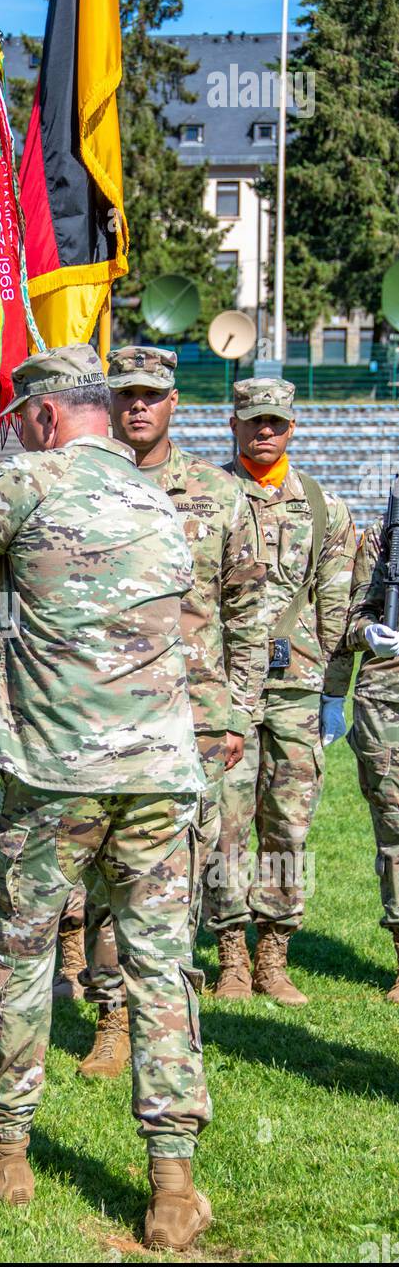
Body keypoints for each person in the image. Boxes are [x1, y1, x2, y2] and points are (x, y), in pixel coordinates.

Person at [0, 345, 213, 1252]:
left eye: (14, 423)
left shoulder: (27, 482)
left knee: (19, 957)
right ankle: (169, 1181)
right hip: (157, 776)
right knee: (160, 971)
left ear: (41, 418)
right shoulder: (160, 498)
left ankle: (5, 1152)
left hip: (52, 777)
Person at [70, 346, 268, 1079]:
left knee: (179, 873)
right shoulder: (85, 486)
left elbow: (248, 613)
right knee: (102, 869)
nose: (137, 407)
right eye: (124, 395)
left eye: (150, 395)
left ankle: (164, 1015)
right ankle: (111, 1018)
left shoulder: (218, 495)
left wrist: (239, 714)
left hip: (194, 716)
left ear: (174, 402)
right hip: (106, 710)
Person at [212, 378, 356, 1004]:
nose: (264, 431)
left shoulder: (324, 507)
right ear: (234, 424)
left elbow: (336, 605)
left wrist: (331, 693)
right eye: (254, 421)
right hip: (224, 688)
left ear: (292, 427)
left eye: (275, 422)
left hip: (296, 690)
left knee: (288, 828)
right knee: (223, 825)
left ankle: (274, 952)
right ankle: (230, 955)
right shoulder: (209, 497)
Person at [343, 518, 399, 1002]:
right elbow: (351, 618)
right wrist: (370, 633)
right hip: (387, 702)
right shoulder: (388, 533)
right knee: (396, 831)